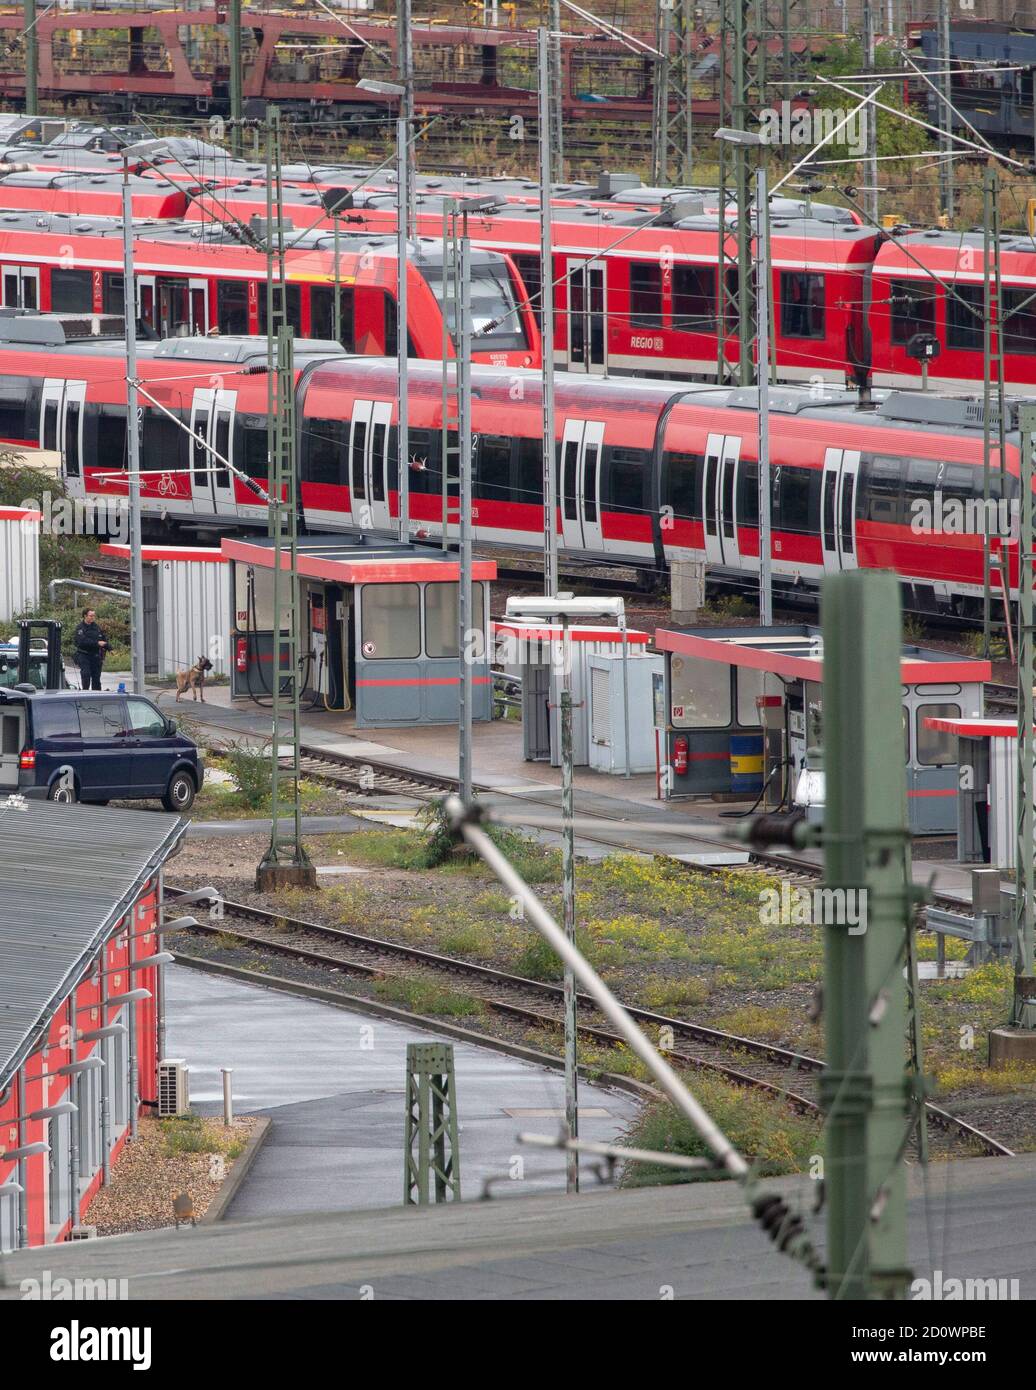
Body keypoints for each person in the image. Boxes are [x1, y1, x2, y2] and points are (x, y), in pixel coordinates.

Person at [73, 608, 108, 691]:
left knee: (96, 678)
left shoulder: (96, 627)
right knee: (86, 675)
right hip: (84, 655)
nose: (93, 617)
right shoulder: (80, 628)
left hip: (95, 656)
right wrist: (97, 643)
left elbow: (102, 638)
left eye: (93, 616)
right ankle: (85, 693)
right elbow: (82, 641)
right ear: (85, 616)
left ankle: (97, 696)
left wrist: (108, 646)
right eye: (91, 616)